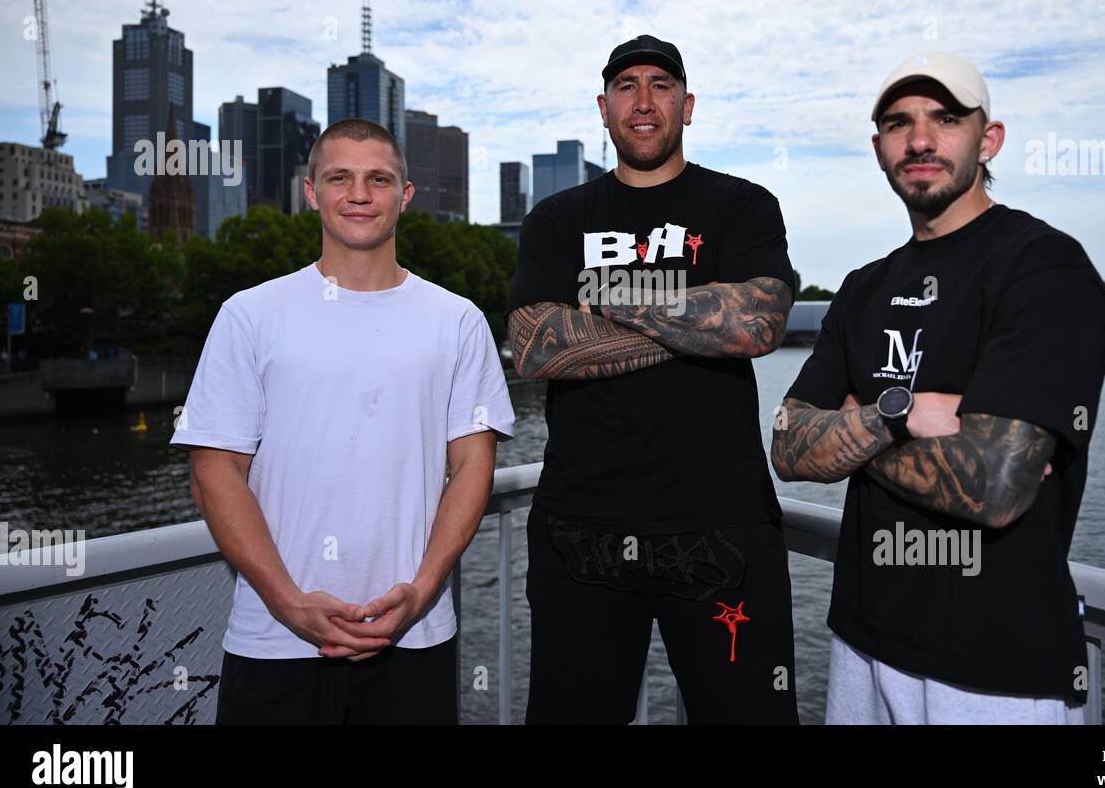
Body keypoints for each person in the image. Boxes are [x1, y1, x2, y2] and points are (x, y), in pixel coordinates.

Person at [771, 51, 1105, 724]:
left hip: (996, 670)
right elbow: (786, 445)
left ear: (989, 140)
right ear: (879, 150)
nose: (920, 140)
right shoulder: (864, 286)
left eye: (945, 119)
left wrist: (855, 423)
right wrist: (902, 414)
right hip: (862, 645)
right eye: (899, 124)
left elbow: (994, 484)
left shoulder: (1044, 267)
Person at [171, 118, 514, 724]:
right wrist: (288, 602)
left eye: (378, 179)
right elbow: (215, 470)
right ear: (311, 191)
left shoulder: (457, 320)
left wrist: (420, 591)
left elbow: (471, 467)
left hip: (415, 635)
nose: (359, 194)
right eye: (340, 178)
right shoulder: (249, 315)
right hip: (275, 640)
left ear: (405, 197)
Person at [507, 35, 799, 724]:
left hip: (722, 531)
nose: (644, 101)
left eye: (661, 85)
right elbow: (534, 348)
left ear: (687, 105)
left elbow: (758, 325)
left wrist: (604, 307)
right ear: (603, 109)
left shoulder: (742, 205)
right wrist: (700, 321)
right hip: (581, 533)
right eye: (627, 86)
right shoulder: (558, 219)